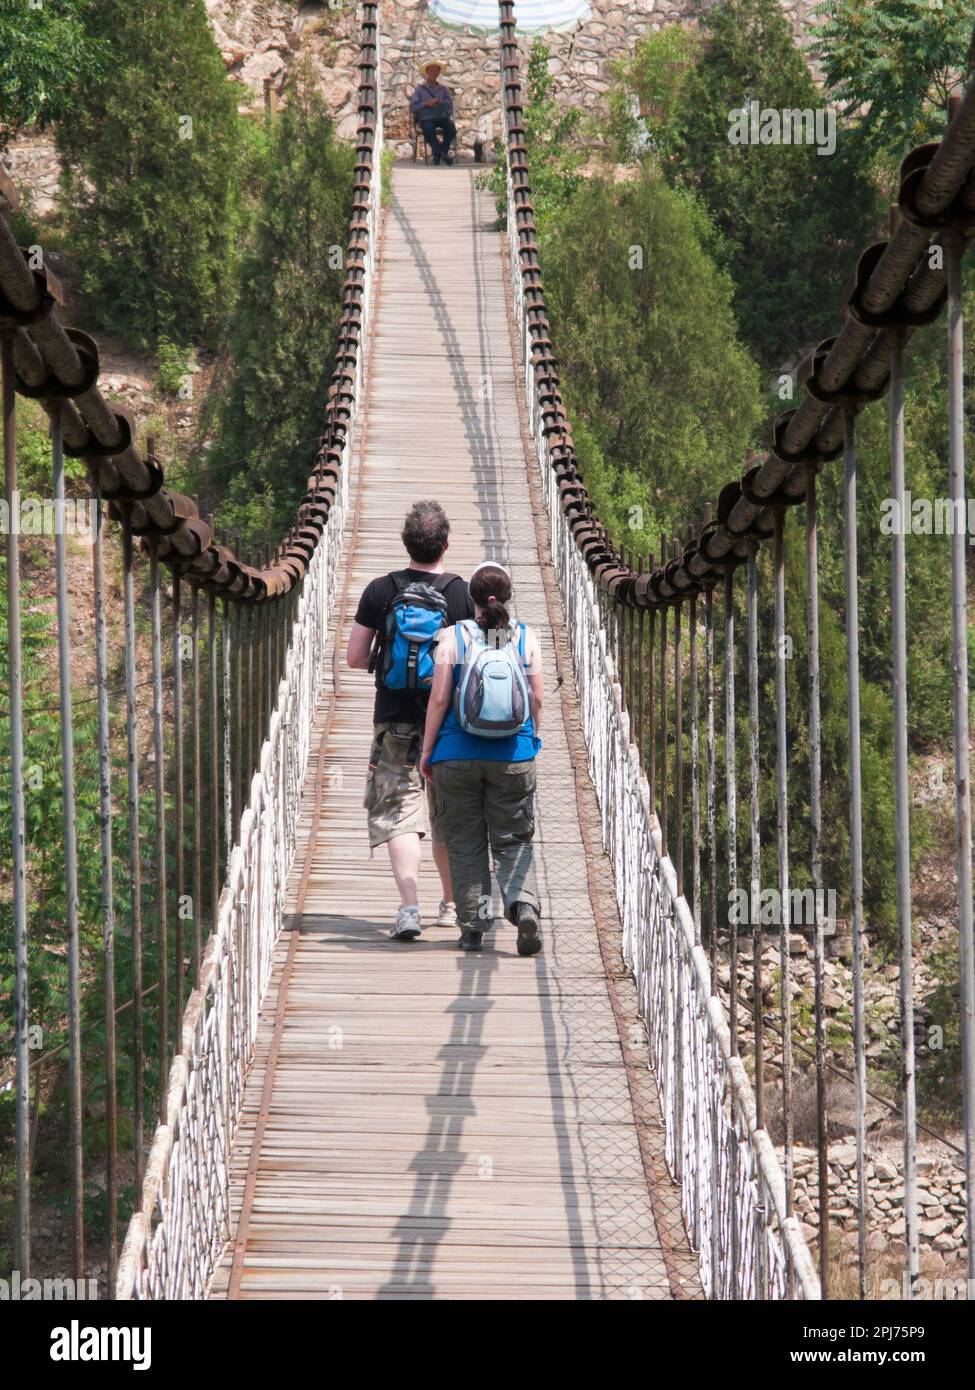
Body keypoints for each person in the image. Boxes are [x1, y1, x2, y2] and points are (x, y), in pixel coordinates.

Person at [346, 501, 475, 940]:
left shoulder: (380, 591)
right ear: (446, 543)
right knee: (446, 815)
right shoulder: (461, 594)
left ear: (406, 543)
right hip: (451, 727)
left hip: (394, 719)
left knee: (401, 815)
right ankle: (453, 905)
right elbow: (476, 660)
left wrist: (386, 663)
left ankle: (409, 909)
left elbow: (355, 657)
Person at [420, 563, 544, 956]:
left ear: (470, 598)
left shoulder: (453, 636)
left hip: (456, 757)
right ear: (507, 597)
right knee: (513, 839)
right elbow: (537, 699)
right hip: (513, 756)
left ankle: (473, 928)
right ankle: (523, 907)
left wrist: (427, 751)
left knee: (464, 840)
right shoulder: (525, 637)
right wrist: (532, 739)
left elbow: (439, 699)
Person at [410, 60, 457, 166]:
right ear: (427, 72)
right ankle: (442, 154)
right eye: (432, 71)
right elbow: (413, 107)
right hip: (427, 118)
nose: (434, 73)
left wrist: (439, 101)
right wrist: (426, 103)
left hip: (441, 117)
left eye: (436, 71)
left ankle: (439, 154)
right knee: (427, 128)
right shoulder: (420, 90)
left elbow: (449, 104)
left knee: (451, 128)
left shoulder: (443, 89)